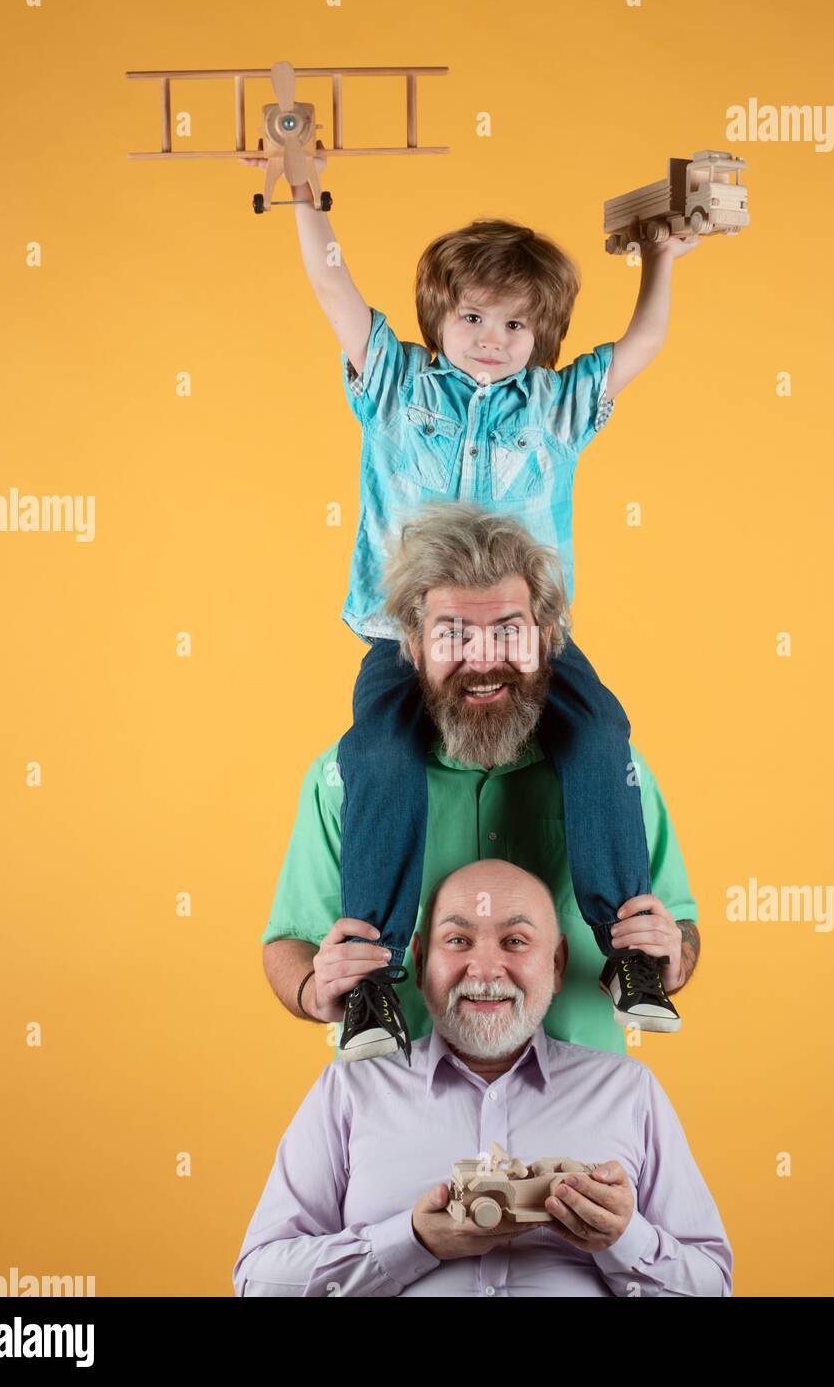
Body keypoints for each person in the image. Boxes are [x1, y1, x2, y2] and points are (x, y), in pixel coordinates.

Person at [239, 147, 700, 1059]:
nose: (492, 337)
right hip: (407, 641)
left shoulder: (555, 407)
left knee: (603, 736)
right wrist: (304, 193)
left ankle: (627, 958)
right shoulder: (398, 387)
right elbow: (334, 293)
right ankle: (371, 980)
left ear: (543, 336)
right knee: (380, 752)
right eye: (474, 316)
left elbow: (641, 347)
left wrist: (661, 260)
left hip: (535, 643)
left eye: (517, 324)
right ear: (438, 319)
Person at [262, 503, 701, 1061]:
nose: (483, 659)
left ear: (545, 641)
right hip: (400, 1104)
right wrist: (311, 987)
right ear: (414, 649)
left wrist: (674, 954)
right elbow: (288, 942)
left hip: (580, 1107)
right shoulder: (343, 780)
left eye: (509, 632)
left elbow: (681, 921)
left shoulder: (616, 770)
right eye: (452, 635)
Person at [235, 859, 731, 1298]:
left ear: (556, 964)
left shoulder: (627, 1090)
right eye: (458, 940)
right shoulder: (349, 1091)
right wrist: (411, 1241)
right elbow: (258, 1282)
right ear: (422, 959)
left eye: (516, 941)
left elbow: (712, 1285)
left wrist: (624, 1239)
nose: (487, 969)